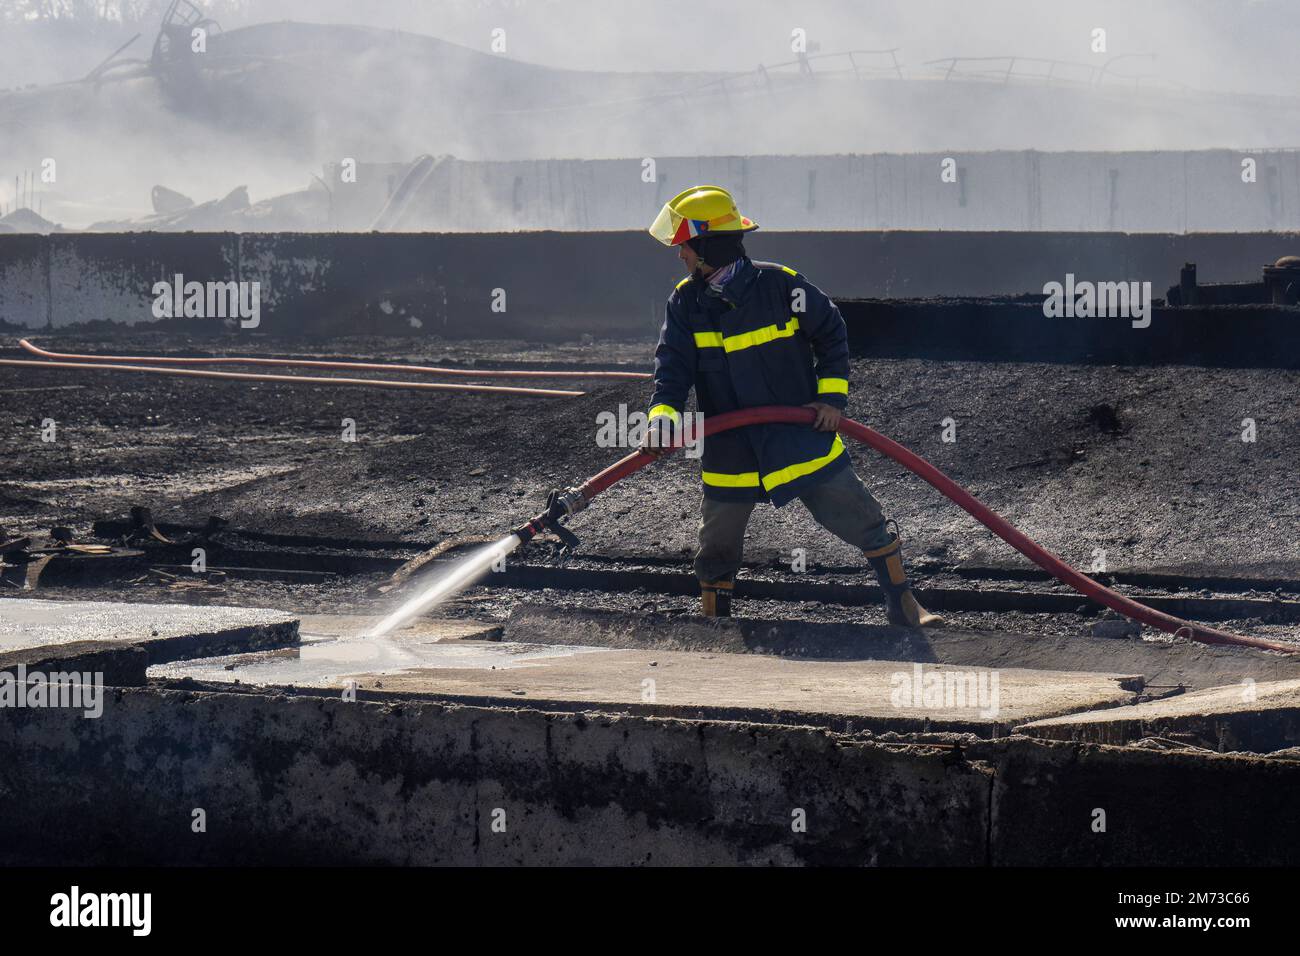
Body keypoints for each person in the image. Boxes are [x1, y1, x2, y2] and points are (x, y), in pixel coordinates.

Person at [641, 185, 941, 627]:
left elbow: (832, 334)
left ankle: (905, 605)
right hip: (730, 444)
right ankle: (714, 626)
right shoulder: (685, 303)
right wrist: (661, 420)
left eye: (684, 245)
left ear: (705, 247)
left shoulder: (781, 285)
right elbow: (672, 372)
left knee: (858, 515)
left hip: (800, 437)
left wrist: (831, 398)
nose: (679, 255)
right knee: (718, 540)